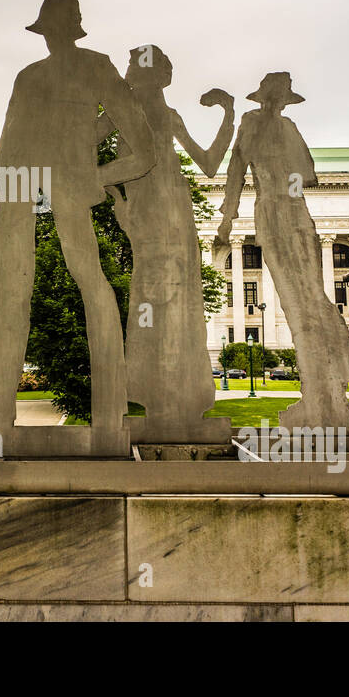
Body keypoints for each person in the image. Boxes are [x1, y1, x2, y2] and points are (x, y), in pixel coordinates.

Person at [0, 0, 156, 457]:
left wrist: (92, 178)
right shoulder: (30, 75)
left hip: (48, 183)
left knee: (90, 282)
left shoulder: (96, 67)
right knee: (12, 293)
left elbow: (145, 150)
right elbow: (11, 145)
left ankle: (108, 416)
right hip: (20, 184)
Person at [217, 71, 349, 434]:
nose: (278, 103)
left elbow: (239, 171)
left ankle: (327, 391)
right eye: (278, 96)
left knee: (305, 299)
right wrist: (229, 215)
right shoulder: (277, 127)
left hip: (278, 210)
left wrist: (230, 214)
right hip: (287, 210)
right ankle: (326, 388)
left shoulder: (261, 125)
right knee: (301, 299)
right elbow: (305, 174)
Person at [104, 45, 236, 442]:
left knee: (180, 298)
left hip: (174, 210)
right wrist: (117, 197)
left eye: (132, 64)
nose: (126, 70)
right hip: (146, 211)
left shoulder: (168, 115)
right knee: (150, 295)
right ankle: (152, 393)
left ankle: (182, 397)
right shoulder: (119, 112)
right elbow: (77, 146)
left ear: (153, 73)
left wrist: (229, 116)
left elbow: (210, 163)